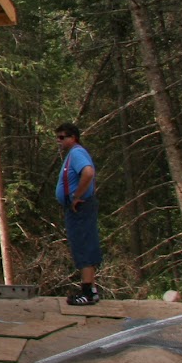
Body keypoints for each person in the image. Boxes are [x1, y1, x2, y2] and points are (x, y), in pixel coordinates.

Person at [54, 122, 102, 304]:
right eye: (57, 138)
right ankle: (91, 290)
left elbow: (88, 173)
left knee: (83, 245)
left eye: (62, 137)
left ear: (73, 137)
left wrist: (76, 196)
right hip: (77, 208)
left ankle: (88, 293)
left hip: (80, 207)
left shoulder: (76, 153)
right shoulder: (72, 155)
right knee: (82, 244)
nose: (58, 141)